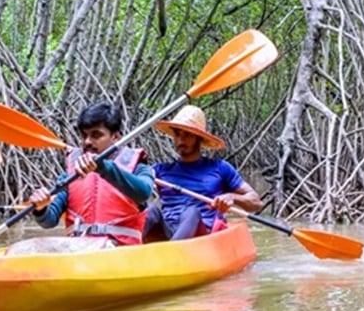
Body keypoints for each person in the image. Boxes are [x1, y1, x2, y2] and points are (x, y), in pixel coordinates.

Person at [26, 102, 155, 247]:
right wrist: (41, 208)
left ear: (115, 136)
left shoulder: (138, 167)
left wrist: (103, 167)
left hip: (120, 250)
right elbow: (49, 221)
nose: (87, 141)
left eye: (96, 135)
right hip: (80, 249)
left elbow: (143, 193)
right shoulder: (71, 174)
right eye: (84, 135)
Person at [146, 105, 262, 241]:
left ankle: (173, 250)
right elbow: (135, 183)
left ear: (199, 138)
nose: (181, 140)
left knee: (191, 212)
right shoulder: (160, 170)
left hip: (201, 233)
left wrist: (232, 197)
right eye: (177, 134)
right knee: (151, 210)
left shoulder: (220, 168)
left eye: (187, 134)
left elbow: (256, 202)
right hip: (168, 230)